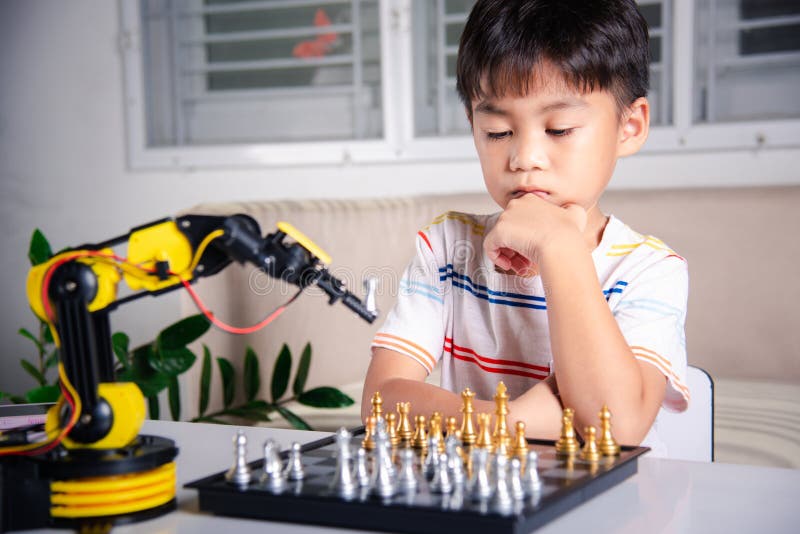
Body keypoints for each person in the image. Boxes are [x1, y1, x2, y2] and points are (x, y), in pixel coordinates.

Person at [363, 0, 688, 453]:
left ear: (628, 127)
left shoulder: (652, 269)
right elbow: (381, 401)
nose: (523, 159)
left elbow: (617, 426)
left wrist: (559, 246)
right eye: (497, 132)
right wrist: (513, 419)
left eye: (559, 129)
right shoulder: (446, 248)